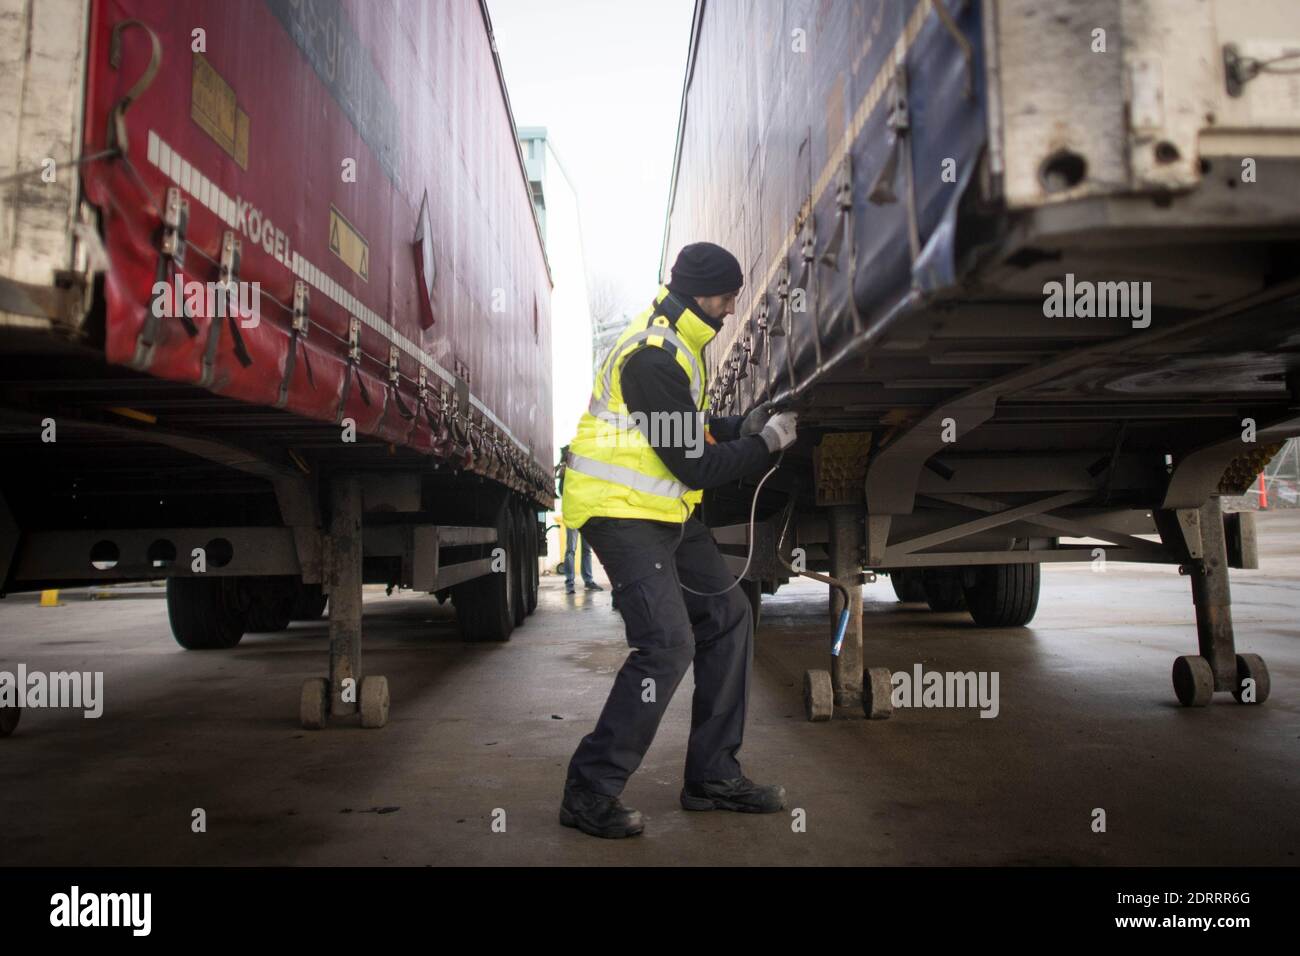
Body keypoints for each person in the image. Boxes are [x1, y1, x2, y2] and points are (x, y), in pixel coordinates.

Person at [557, 241, 799, 838]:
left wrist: (733, 426)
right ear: (705, 294)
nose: (732, 308)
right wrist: (765, 443)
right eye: (729, 297)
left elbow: (678, 429)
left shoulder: (674, 342)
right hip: (621, 514)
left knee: (729, 614)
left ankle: (712, 776)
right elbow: (692, 463)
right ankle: (589, 790)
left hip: (662, 512)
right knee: (666, 645)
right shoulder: (653, 356)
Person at [556, 445, 603, 594]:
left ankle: (587, 580)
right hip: (574, 513)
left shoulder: (586, 469)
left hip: (585, 512)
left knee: (585, 550)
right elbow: (561, 491)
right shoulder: (565, 471)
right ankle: (570, 583)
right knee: (571, 550)